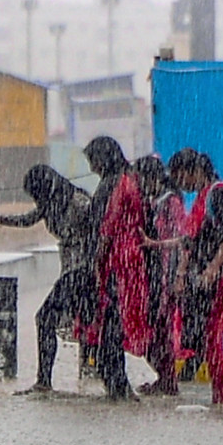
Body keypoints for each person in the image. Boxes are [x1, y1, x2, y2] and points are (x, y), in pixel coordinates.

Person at [0, 164, 95, 395]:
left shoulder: (78, 202)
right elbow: (27, 220)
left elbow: (99, 233)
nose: (37, 199)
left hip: (83, 271)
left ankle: (47, 381)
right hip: (71, 269)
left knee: (45, 318)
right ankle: (94, 382)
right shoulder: (50, 203)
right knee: (87, 323)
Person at [165, 149, 223, 404]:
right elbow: (191, 240)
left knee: (212, 336)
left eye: (180, 176)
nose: (180, 183)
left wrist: (211, 269)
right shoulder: (202, 198)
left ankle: (221, 400)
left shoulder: (218, 193)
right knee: (207, 337)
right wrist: (159, 247)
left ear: (194, 171)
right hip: (215, 279)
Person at [83, 135, 149, 401]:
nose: (91, 167)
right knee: (115, 322)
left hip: (116, 261)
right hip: (128, 258)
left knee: (110, 323)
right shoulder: (127, 179)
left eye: (93, 161)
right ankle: (115, 381)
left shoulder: (115, 184)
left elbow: (106, 228)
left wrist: (97, 263)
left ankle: (115, 381)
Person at [132, 155, 185, 396]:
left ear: (151, 178)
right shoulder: (155, 201)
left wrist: (173, 278)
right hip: (155, 276)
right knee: (156, 332)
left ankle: (168, 381)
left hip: (166, 275)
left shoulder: (170, 202)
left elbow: (179, 240)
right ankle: (165, 379)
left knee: (160, 332)